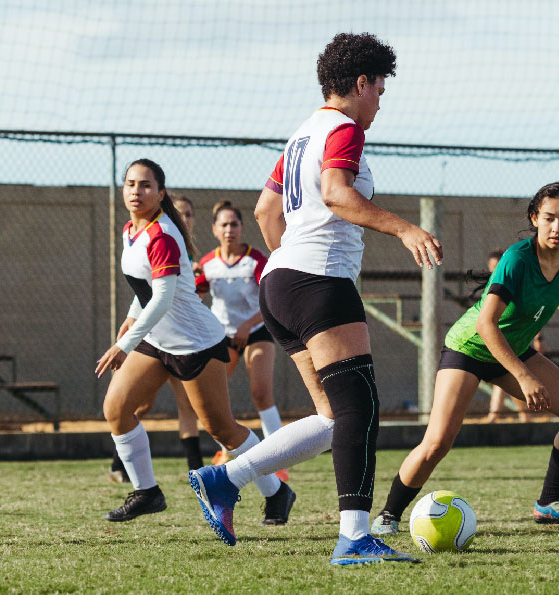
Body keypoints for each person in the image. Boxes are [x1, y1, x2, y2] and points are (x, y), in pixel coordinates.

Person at [187, 32, 441, 565]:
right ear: (361, 83)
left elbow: (265, 210)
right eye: (380, 89)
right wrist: (405, 229)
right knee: (359, 409)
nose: (380, 102)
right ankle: (355, 538)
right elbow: (335, 193)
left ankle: (226, 478)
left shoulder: (302, 134)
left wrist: (288, 261)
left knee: (332, 415)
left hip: (280, 282)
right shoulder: (345, 128)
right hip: (317, 282)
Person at [371, 182, 559, 536]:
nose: (557, 227)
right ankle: (388, 515)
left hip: (512, 347)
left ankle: (550, 502)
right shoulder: (517, 259)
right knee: (438, 442)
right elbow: (485, 324)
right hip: (470, 348)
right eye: (549, 218)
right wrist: (524, 376)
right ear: (534, 218)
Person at [97, 158, 294, 526]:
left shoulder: (162, 234)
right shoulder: (129, 231)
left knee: (222, 429)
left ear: (160, 193)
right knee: (116, 409)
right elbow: (145, 289)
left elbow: (163, 298)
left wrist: (123, 344)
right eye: (130, 184)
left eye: (145, 185)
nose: (136, 191)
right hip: (157, 340)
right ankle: (146, 492)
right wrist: (131, 317)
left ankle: (277, 491)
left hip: (195, 344)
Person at [107, 194, 204, 483]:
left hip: (184, 339)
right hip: (154, 338)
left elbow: (174, 296)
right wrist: (131, 319)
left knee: (192, 408)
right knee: (134, 404)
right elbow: (151, 293)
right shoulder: (158, 239)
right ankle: (121, 467)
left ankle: (198, 472)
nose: (184, 219)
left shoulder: (187, 252)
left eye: (189, 214)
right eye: (180, 213)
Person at [196, 201, 285, 475]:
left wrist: (247, 324)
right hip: (221, 334)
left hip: (256, 330)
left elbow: (271, 300)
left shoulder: (255, 259)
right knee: (215, 398)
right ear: (214, 229)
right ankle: (226, 450)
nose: (229, 229)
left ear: (242, 228)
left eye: (234, 224)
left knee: (261, 393)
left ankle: (278, 459)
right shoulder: (207, 264)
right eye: (223, 224)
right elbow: (195, 296)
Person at [482, 250, 529, 423]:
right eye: (492, 267)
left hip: (513, 337)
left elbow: (531, 312)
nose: (495, 269)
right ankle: (517, 415)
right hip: (495, 337)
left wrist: (539, 339)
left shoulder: (515, 283)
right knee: (506, 377)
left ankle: (498, 415)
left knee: (509, 376)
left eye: (498, 266)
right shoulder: (491, 285)